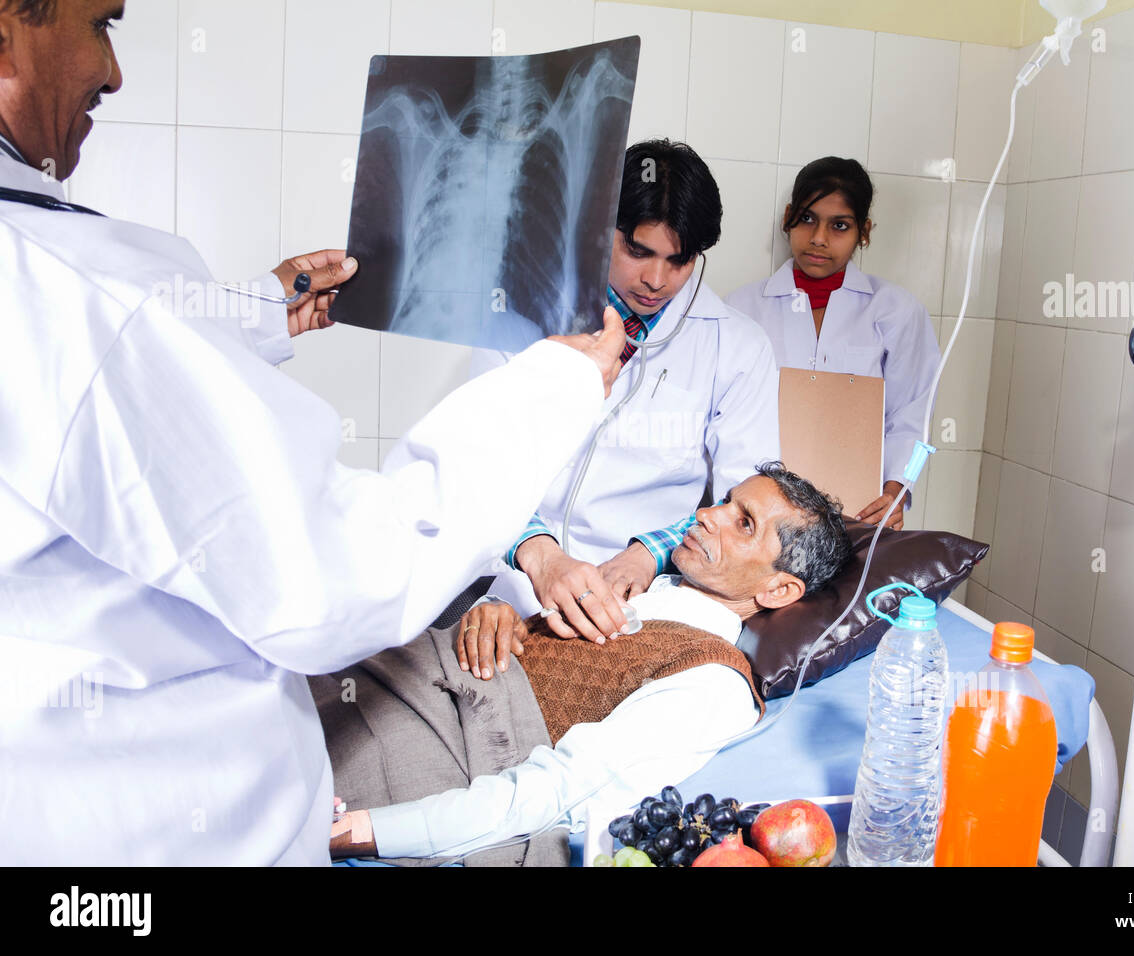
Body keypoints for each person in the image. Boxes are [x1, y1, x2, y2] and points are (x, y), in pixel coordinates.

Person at [0, 0, 628, 865]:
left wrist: (245, 316)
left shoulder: (62, 283)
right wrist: (557, 386)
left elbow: (96, 412)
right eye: (101, 24)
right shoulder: (77, 292)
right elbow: (340, 573)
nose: (113, 72)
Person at [323, 463, 851, 864]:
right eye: (725, 502)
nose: (707, 514)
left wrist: (361, 831)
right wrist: (495, 614)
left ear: (779, 588)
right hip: (398, 672)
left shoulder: (713, 683)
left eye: (742, 523)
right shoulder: (639, 590)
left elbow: (550, 794)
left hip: (436, 744)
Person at [470, 139, 781, 648]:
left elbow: (746, 501)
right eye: (638, 251)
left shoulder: (738, 346)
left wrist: (647, 554)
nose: (656, 280)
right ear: (599, 232)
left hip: (650, 594)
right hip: (514, 578)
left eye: (678, 261)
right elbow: (478, 463)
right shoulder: (517, 318)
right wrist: (543, 556)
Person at [726, 157, 940, 530]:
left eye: (839, 225)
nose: (819, 238)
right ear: (788, 217)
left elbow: (914, 419)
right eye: (807, 219)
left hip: (857, 516)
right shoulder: (741, 309)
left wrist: (896, 492)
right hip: (757, 513)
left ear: (864, 232)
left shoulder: (897, 312)